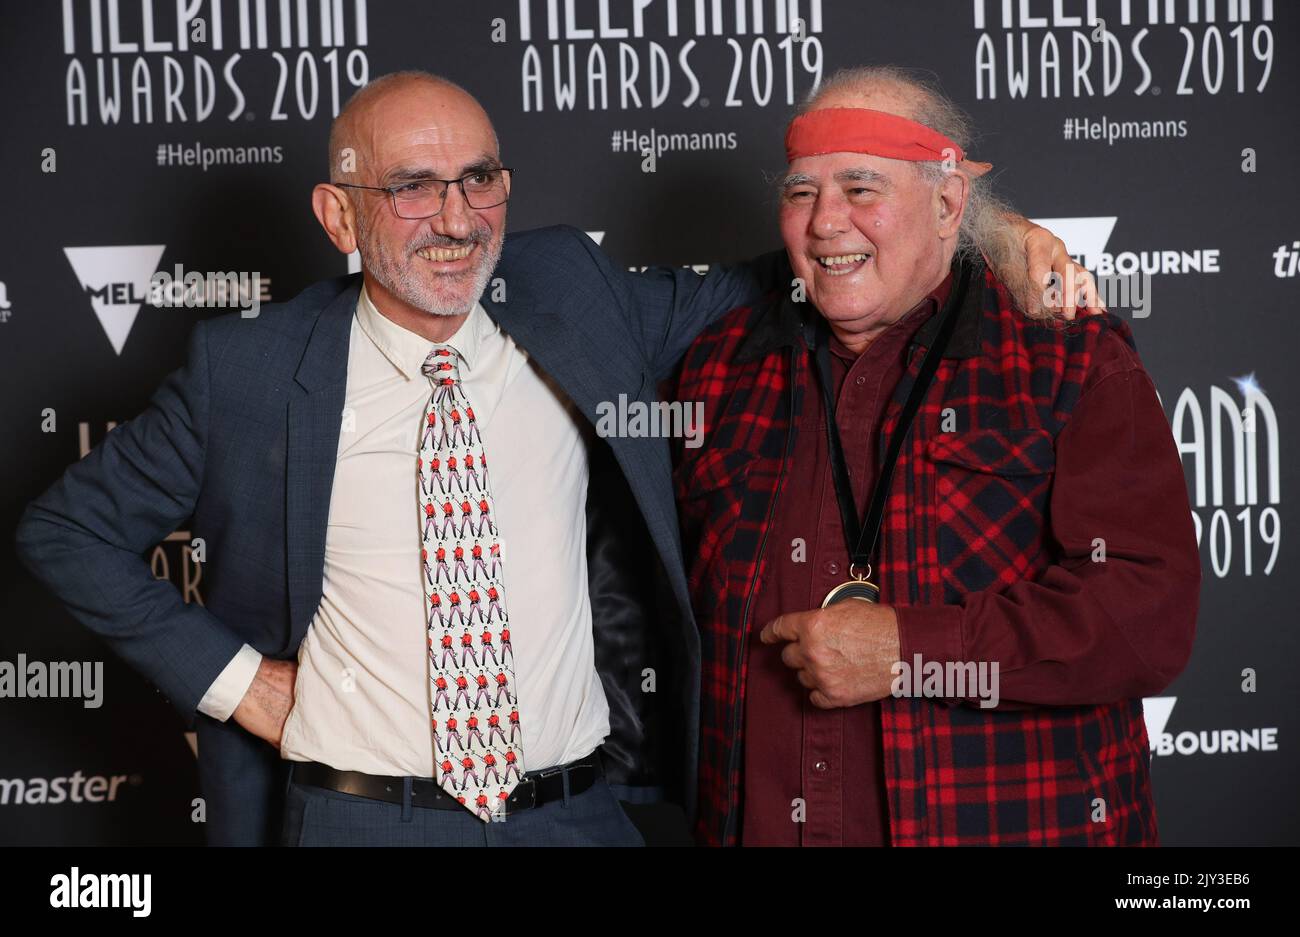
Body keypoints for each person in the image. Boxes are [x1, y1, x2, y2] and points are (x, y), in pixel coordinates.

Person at [15, 70, 1089, 846]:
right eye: (413, 186)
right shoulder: (250, 370)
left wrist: (991, 231)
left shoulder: (572, 292)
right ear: (339, 214)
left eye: (479, 179)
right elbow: (65, 531)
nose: (456, 219)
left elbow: (806, 262)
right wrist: (241, 685)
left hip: (576, 816)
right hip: (362, 819)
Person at [671, 66, 1199, 846]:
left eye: (861, 188)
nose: (825, 222)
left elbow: (1146, 614)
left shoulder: (1069, 359)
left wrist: (910, 652)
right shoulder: (715, 368)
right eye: (800, 192)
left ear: (949, 204)